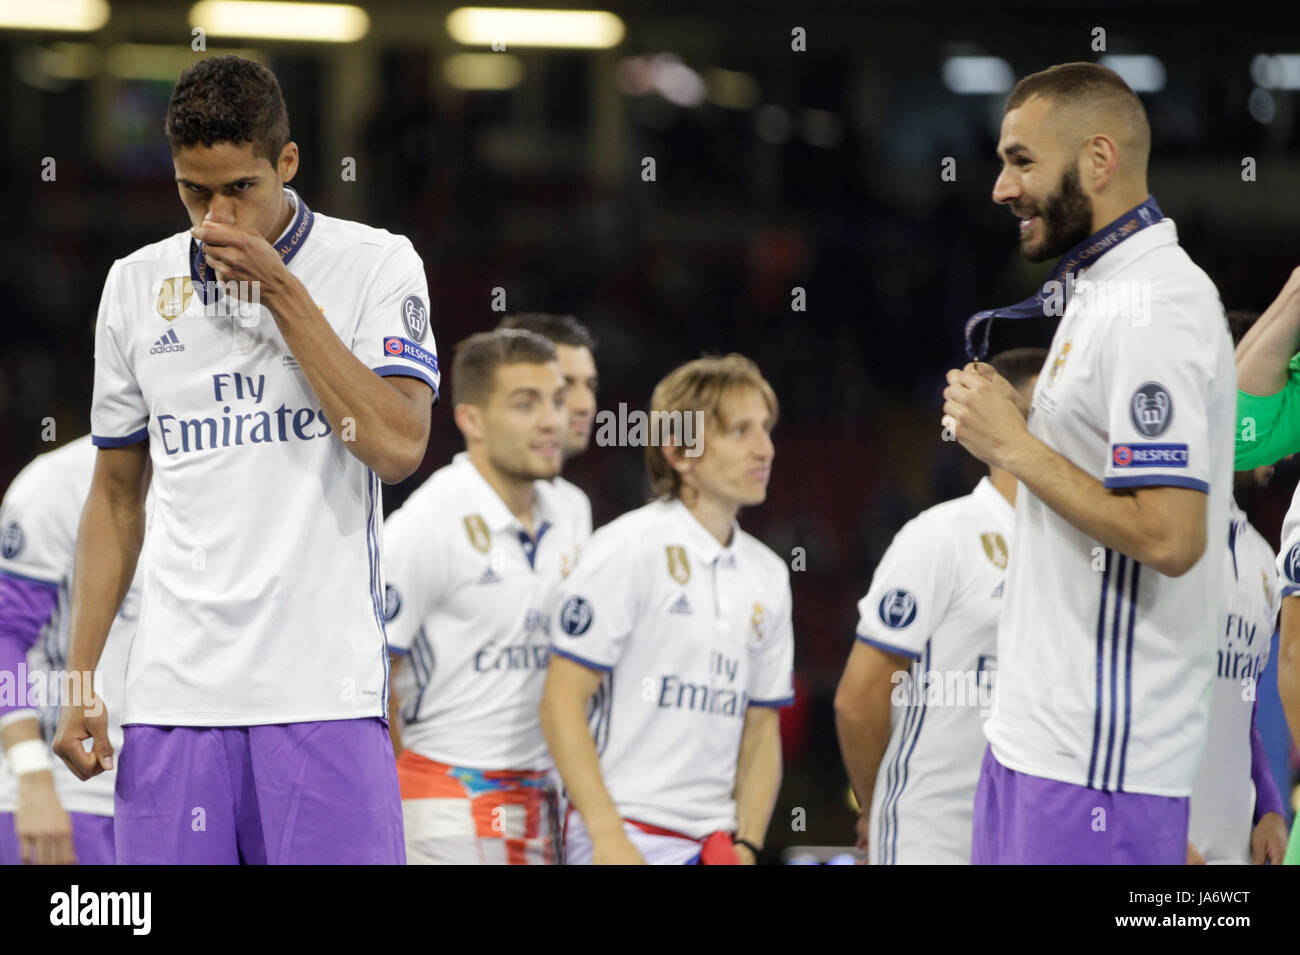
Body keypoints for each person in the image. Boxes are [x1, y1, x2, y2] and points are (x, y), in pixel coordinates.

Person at [54, 55, 437, 864]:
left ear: (287, 163)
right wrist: (81, 674)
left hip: (323, 695)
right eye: (195, 192)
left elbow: (400, 445)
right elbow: (115, 498)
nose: (218, 215)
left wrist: (284, 294)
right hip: (172, 701)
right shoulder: (133, 287)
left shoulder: (376, 263)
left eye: (240, 188)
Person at [943, 62, 1235, 864]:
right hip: (1035, 744)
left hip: (1096, 766)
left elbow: (1171, 535)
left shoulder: (1157, 307)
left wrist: (1012, 444)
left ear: (1099, 159)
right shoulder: (1102, 291)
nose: (1002, 188)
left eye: (1022, 161)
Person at [540, 354, 793, 865]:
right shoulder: (625, 549)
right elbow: (560, 703)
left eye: (765, 429)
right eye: (740, 431)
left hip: (714, 844)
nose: (764, 448)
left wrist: (747, 843)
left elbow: (762, 727)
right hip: (621, 834)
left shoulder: (768, 573)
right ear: (679, 451)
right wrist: (608, 837)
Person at [835, 348, 1044, 864]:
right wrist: (881, 808)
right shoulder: (942, 536)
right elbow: (860, 698)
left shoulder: (1084, 553)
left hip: (1036, 839)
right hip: (933, 842)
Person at [383, 329, 584, 864]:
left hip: (544, 801)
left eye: (557, 400)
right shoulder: (425, 525)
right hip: (444, 805)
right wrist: (404, 795)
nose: (552, 420)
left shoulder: (574, 511)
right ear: (471, 420)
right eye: (526, 404)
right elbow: (370, 675)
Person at [0, 436, 134, 865]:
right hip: (71, 794)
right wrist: (32, 776)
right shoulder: (55, 483)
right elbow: (5, 637)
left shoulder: (214, 473)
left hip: (173, 787)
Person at [1188, 311, 1288, 865]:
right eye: (1276, 400)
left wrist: (1268, 806)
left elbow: (1241, 707)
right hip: (1148, 846)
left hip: (1230, 852)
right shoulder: (1150, 535)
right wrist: (1147, 827)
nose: (1289, 443)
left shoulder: (1261, 558)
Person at [497, 314, 599, 541]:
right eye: (565, 385)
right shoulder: (444, 509)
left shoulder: (574, 505)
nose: (586, 405)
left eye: (590, 385)